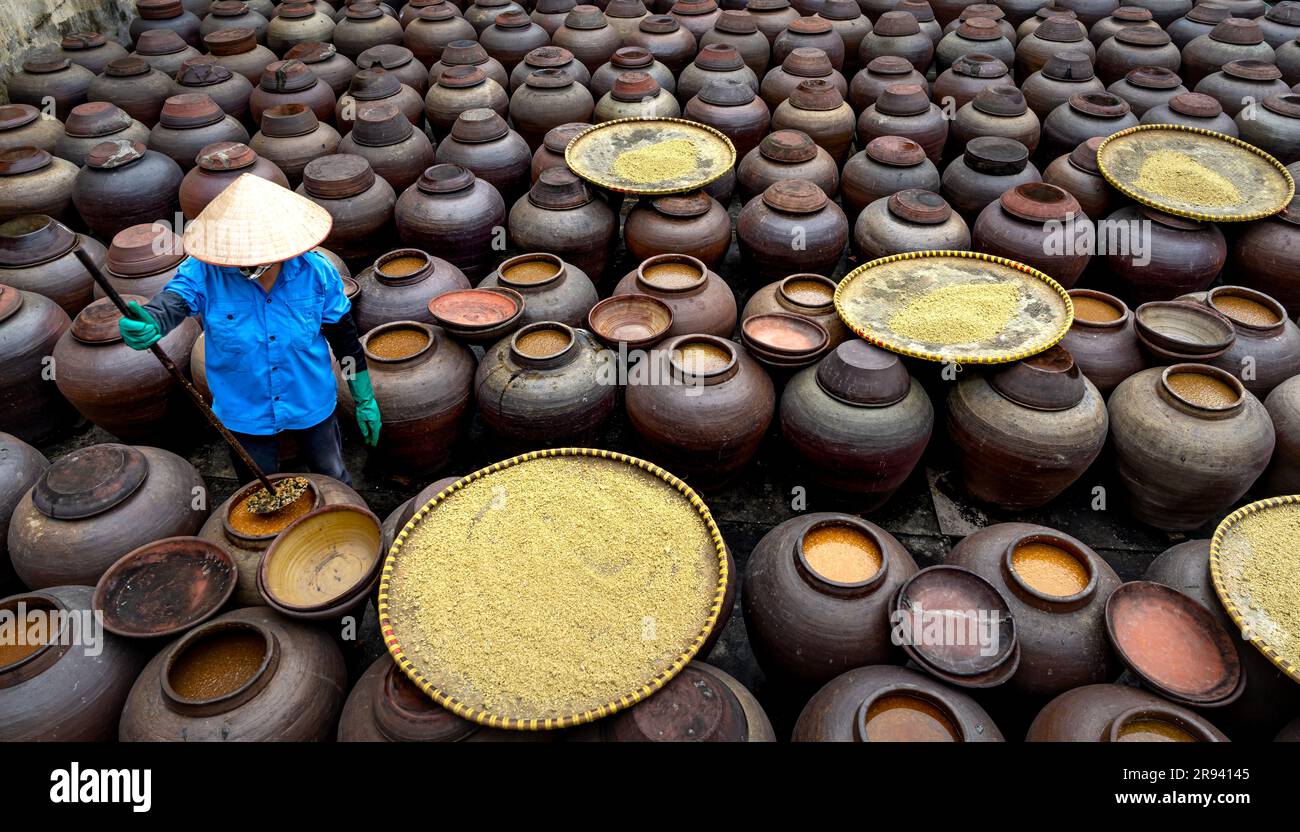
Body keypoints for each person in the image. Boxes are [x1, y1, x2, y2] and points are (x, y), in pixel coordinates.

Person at [117, 173, 381, 487]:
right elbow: (174, 301)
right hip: (243, 407)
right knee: (258, 489)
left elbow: (344, 338)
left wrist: (364, 399)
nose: (247, 261)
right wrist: (151, 320)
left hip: (309, 398)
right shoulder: (205, 271)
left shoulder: (316, 272)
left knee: (332, 475)